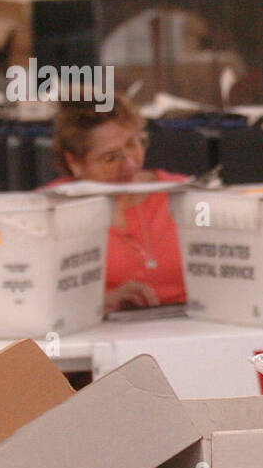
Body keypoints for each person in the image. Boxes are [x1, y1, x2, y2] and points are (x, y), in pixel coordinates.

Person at [50, 96, 187, 313]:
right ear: (73, 162)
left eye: (133, 144)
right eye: (111, 158)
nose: (131, 163)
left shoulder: (184, 195)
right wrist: (99, 305)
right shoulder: (50, 210)